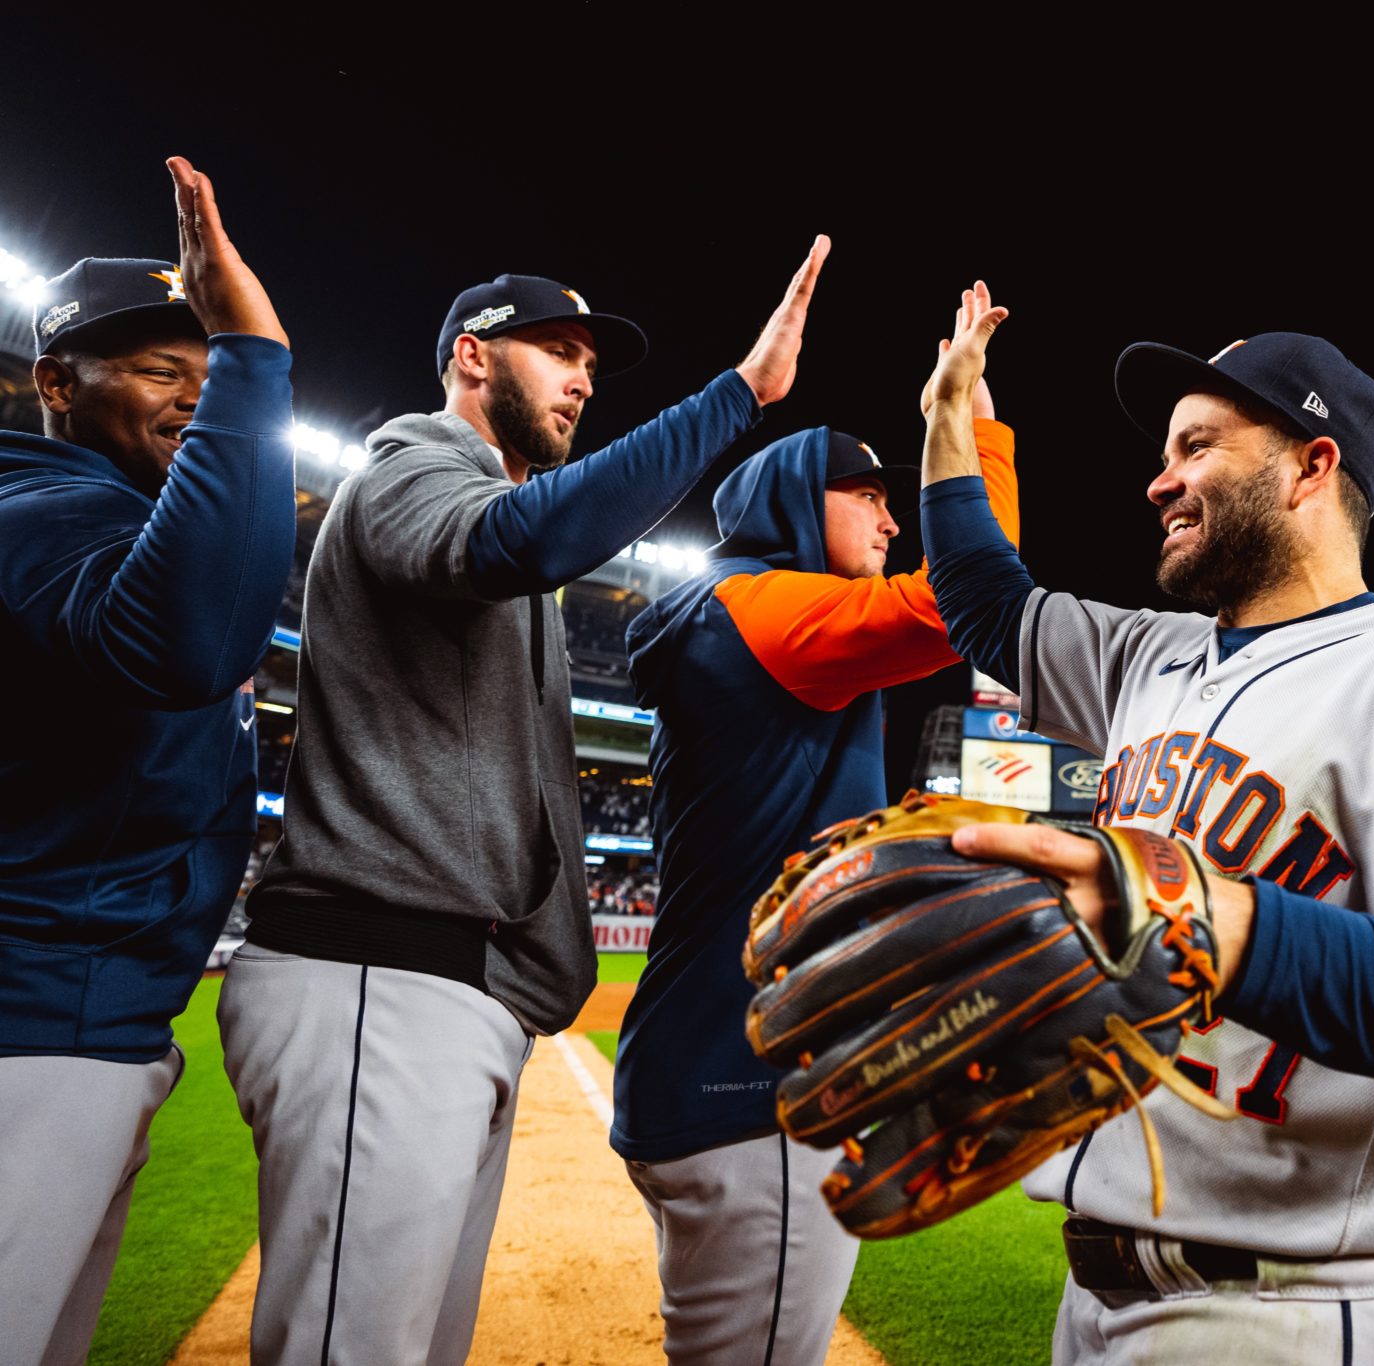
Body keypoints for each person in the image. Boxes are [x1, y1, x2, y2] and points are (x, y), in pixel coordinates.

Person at [916, 289, 1374, 1363]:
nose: (1158, 478)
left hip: (1305, 1307)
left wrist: (1215, 922)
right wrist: (948, 417)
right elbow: (979, 598)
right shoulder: (1143, 656)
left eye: (1196, 446)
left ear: (1310, 465)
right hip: (1095, 1291)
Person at [220, 239, 829, 1364]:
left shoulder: (505, 515)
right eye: (556, 350)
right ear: (469, 357)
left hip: (448, 987)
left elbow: (533, 534)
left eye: (588, 359)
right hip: (378, 972)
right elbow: (526, 536)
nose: (583, 377)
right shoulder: (410, 461)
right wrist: (736, 395)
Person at [611, 345, 1020, 1364]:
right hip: (755, 1091)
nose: (890, 520)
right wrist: (973, 436)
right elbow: (970, 596)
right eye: (867, 497)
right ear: (795, 499)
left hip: (711, 1069)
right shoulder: (764, 613)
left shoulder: (746, 616)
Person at [0, 158, 295, 1366]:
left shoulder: (106, 512)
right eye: (160, 369)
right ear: (56, 385)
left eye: (206, 371)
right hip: (33, 1018)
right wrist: (256, 361)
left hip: (91, 1018)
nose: (192, 394)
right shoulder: (36, 503)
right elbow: (178, 644)